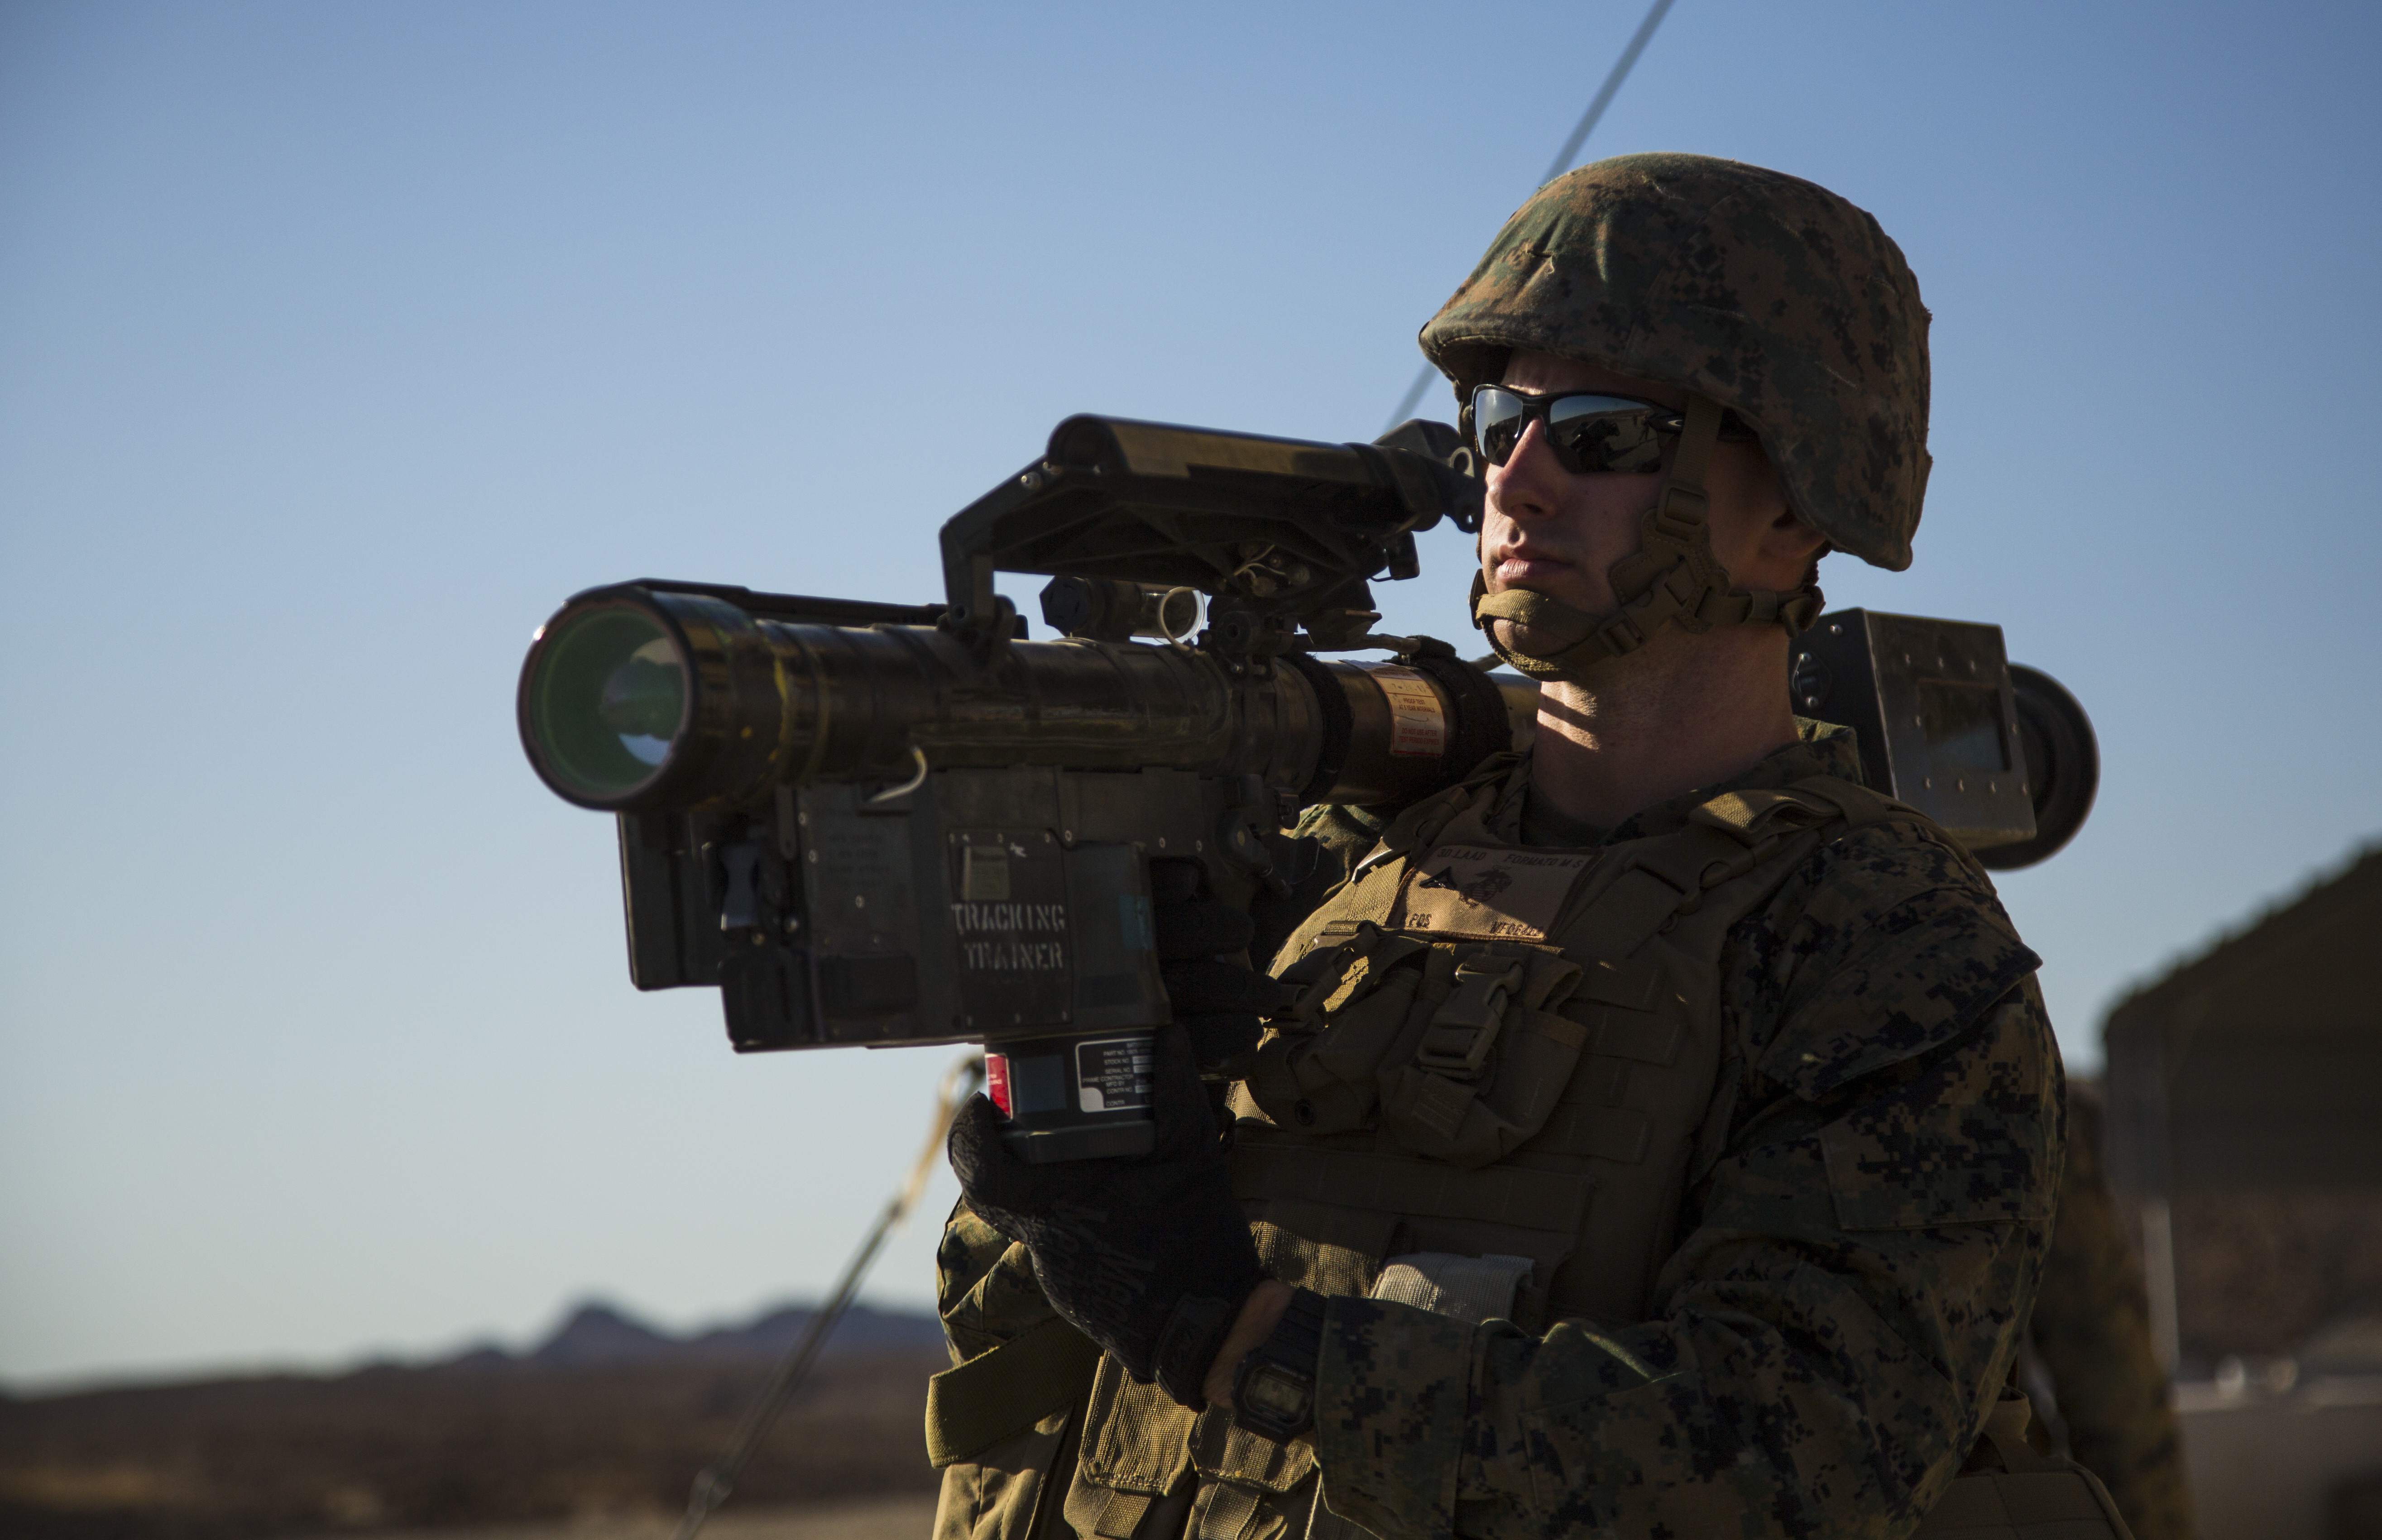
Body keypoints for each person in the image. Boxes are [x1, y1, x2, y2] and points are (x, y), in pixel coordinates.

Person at [930, 153, 2070, 1540]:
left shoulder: (1884, 939)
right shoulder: (1327, 868)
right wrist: (1064, 1142)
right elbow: (1031, 1363)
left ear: (1797, 500)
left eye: (1603, 432)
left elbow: (1789, 1453)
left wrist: (1240, 1337)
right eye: (1497, 422)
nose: (1516, 483)